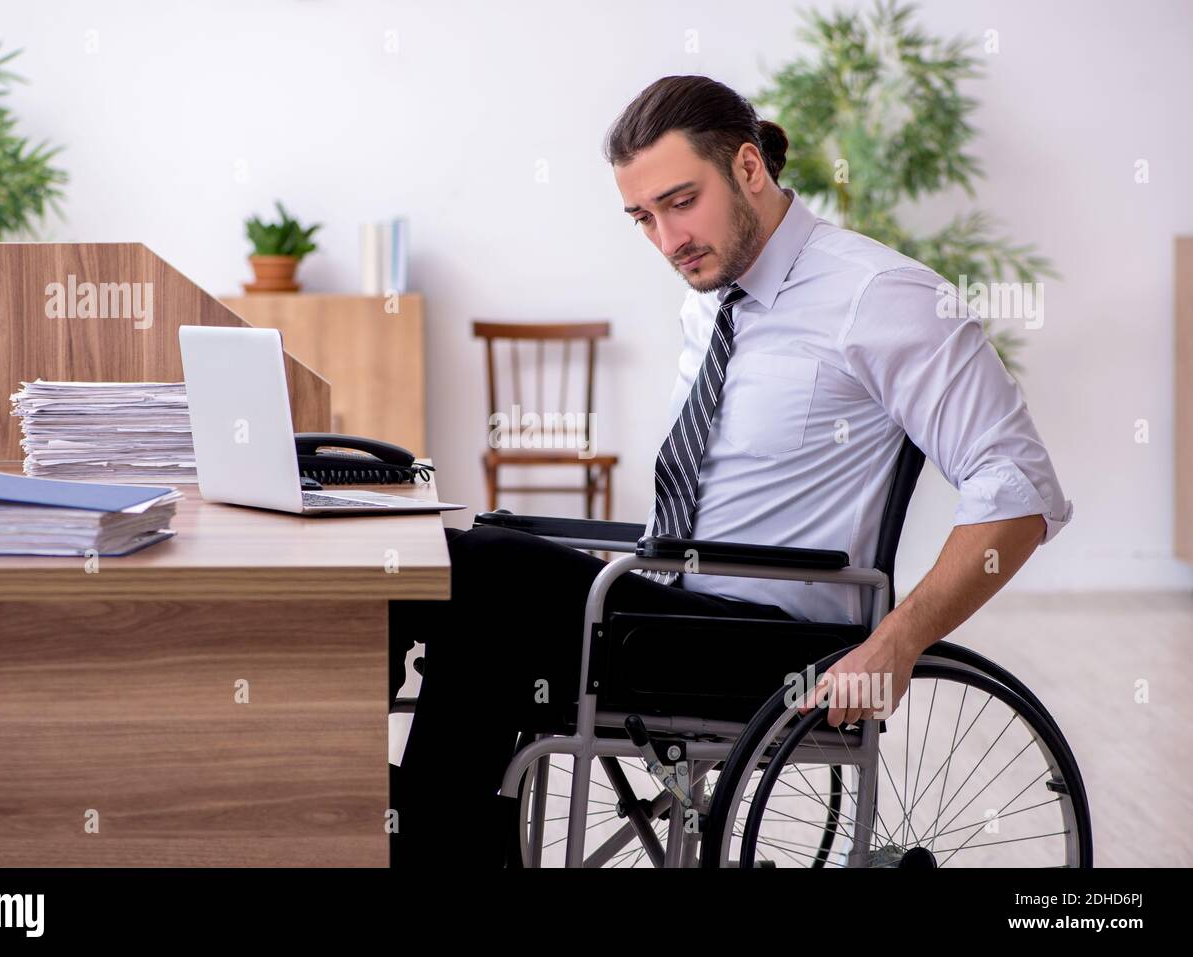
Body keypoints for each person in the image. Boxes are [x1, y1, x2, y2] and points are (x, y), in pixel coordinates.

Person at [390, 74, 1072, 867]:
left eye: (682, 202)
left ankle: (386, 814)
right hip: (672, 612)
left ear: (750, 168)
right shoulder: (708, 300)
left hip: (774, 646)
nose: (667, 238)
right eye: (643, 217)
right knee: (469, 589)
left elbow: (1019, 490)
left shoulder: (883, 295)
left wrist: (897, 642)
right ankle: (390, 818)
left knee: (473, 566)